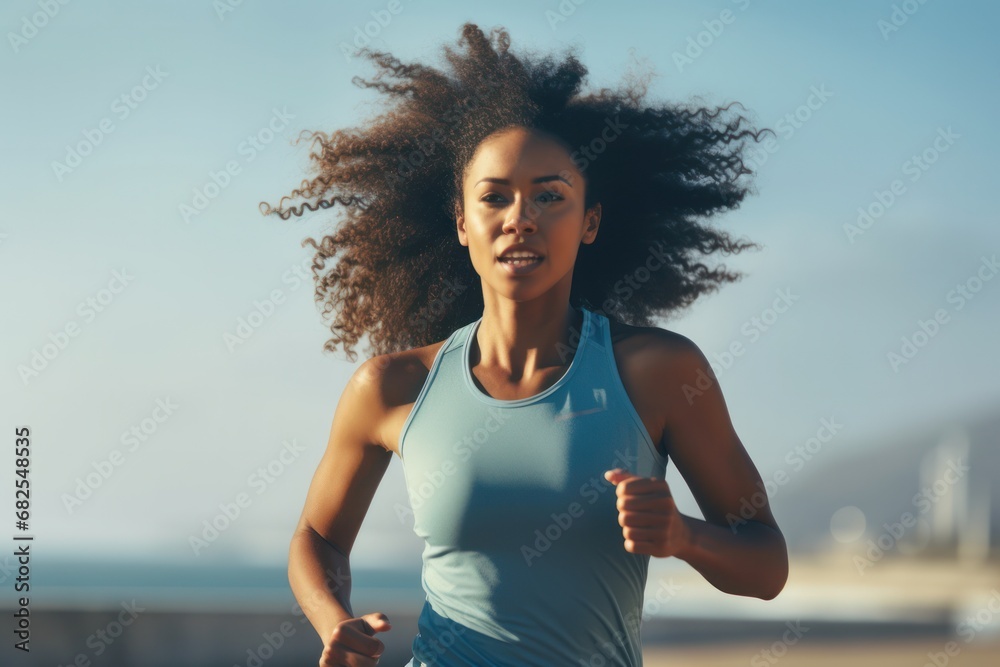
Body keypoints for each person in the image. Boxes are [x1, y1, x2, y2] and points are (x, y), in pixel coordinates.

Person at [263, 22, 788, 667]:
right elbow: (316, 536)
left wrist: (685, 537)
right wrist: (333, 621)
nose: (521, 218)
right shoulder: (392, 388)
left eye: (550, 196)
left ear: (590, 222)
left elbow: (767, 566)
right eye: (494, 198)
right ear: (462, 223)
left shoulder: (658, 373)